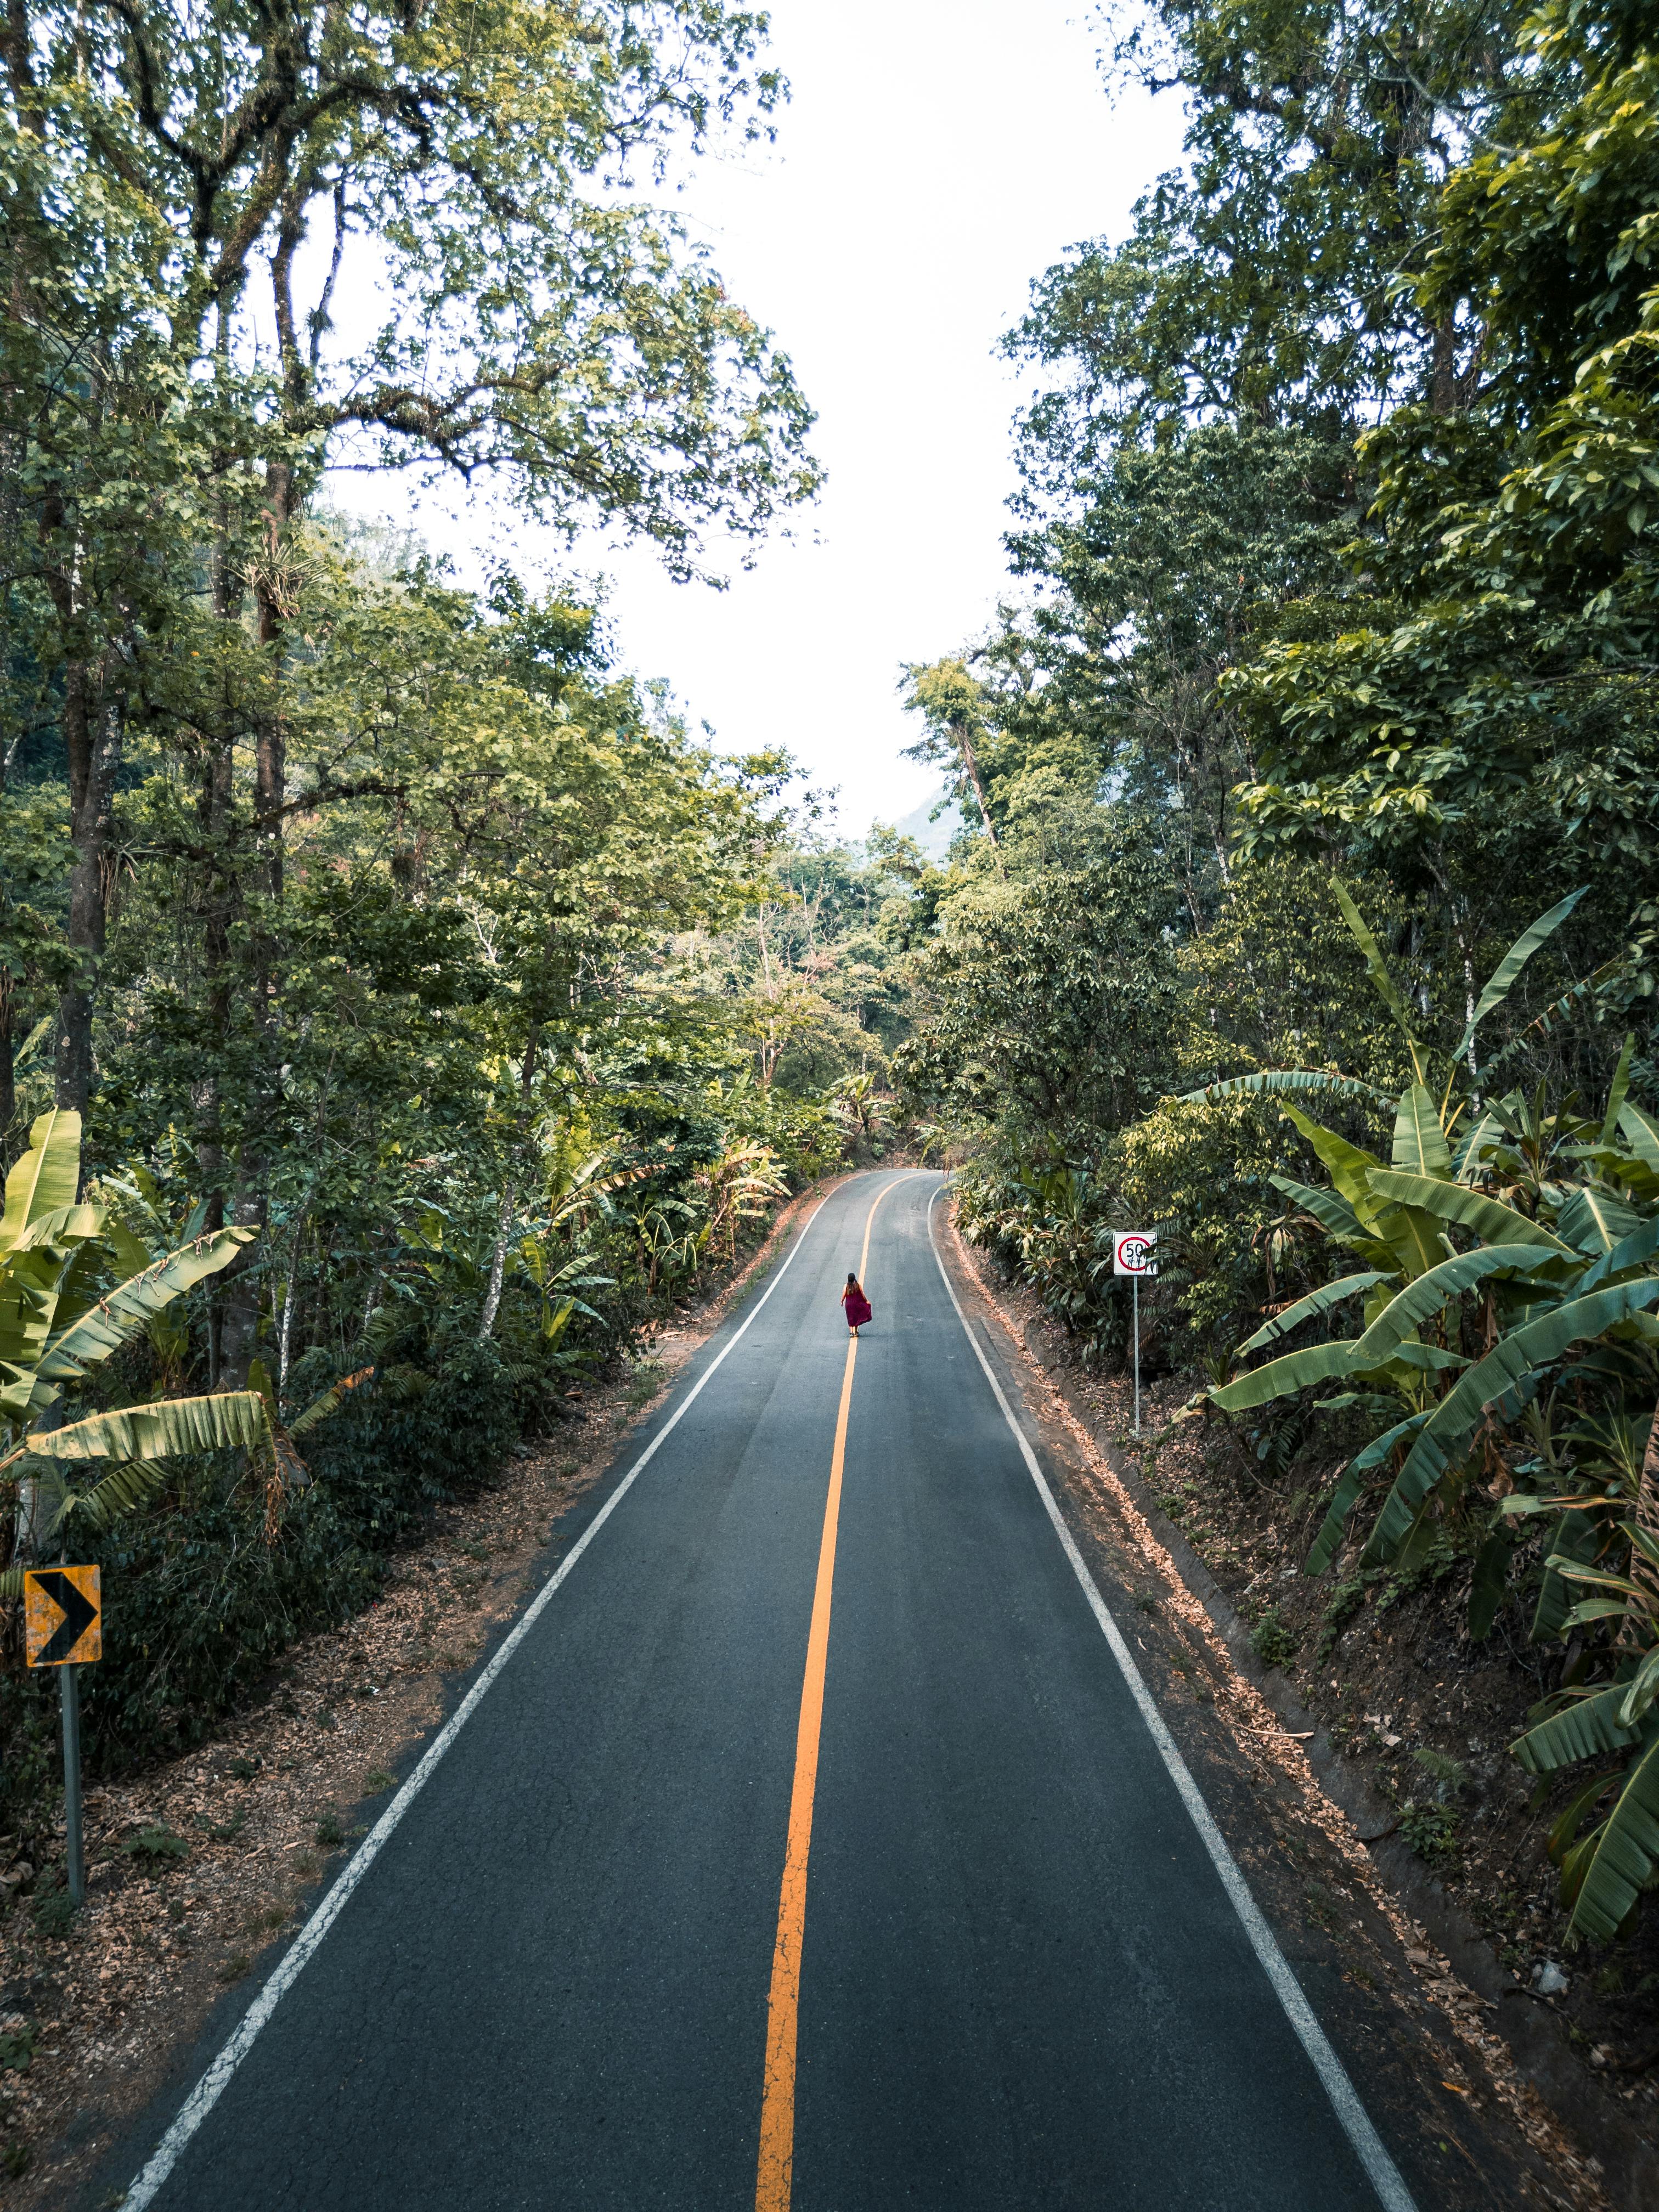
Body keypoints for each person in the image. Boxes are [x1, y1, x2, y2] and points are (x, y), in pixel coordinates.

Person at [841, 1271, 872, 1337]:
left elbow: (844, 1295)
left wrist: (842, 1301)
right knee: (856, 1316)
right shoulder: (858, 1285)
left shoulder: (846, 1286)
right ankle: (856, 1332)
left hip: (849, 1305)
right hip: (857, 1304)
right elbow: (862, 1294)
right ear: (855, 1278)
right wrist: (867, 1301)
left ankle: (851, 1332)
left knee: (850, 1317)